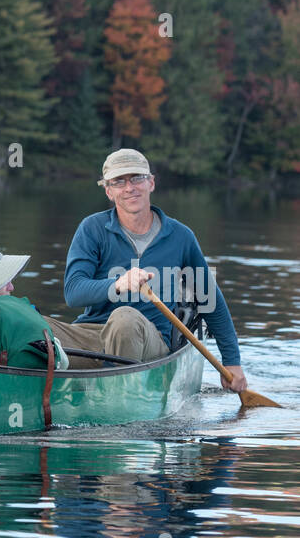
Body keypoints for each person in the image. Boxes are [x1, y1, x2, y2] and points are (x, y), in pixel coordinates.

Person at [52, 148, 247, 390]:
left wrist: (232, 361)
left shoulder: (181, 236)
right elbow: (73, 293)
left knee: (125, 319)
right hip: (93, 336)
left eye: (137, 178)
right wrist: (118, 284)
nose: (129, 187)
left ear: (151, 183)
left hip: (150, 341)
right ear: (108, 191)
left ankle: (110, 398)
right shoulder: (92, 229)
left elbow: (210, 300)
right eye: (119, 181)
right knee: (27, 323)